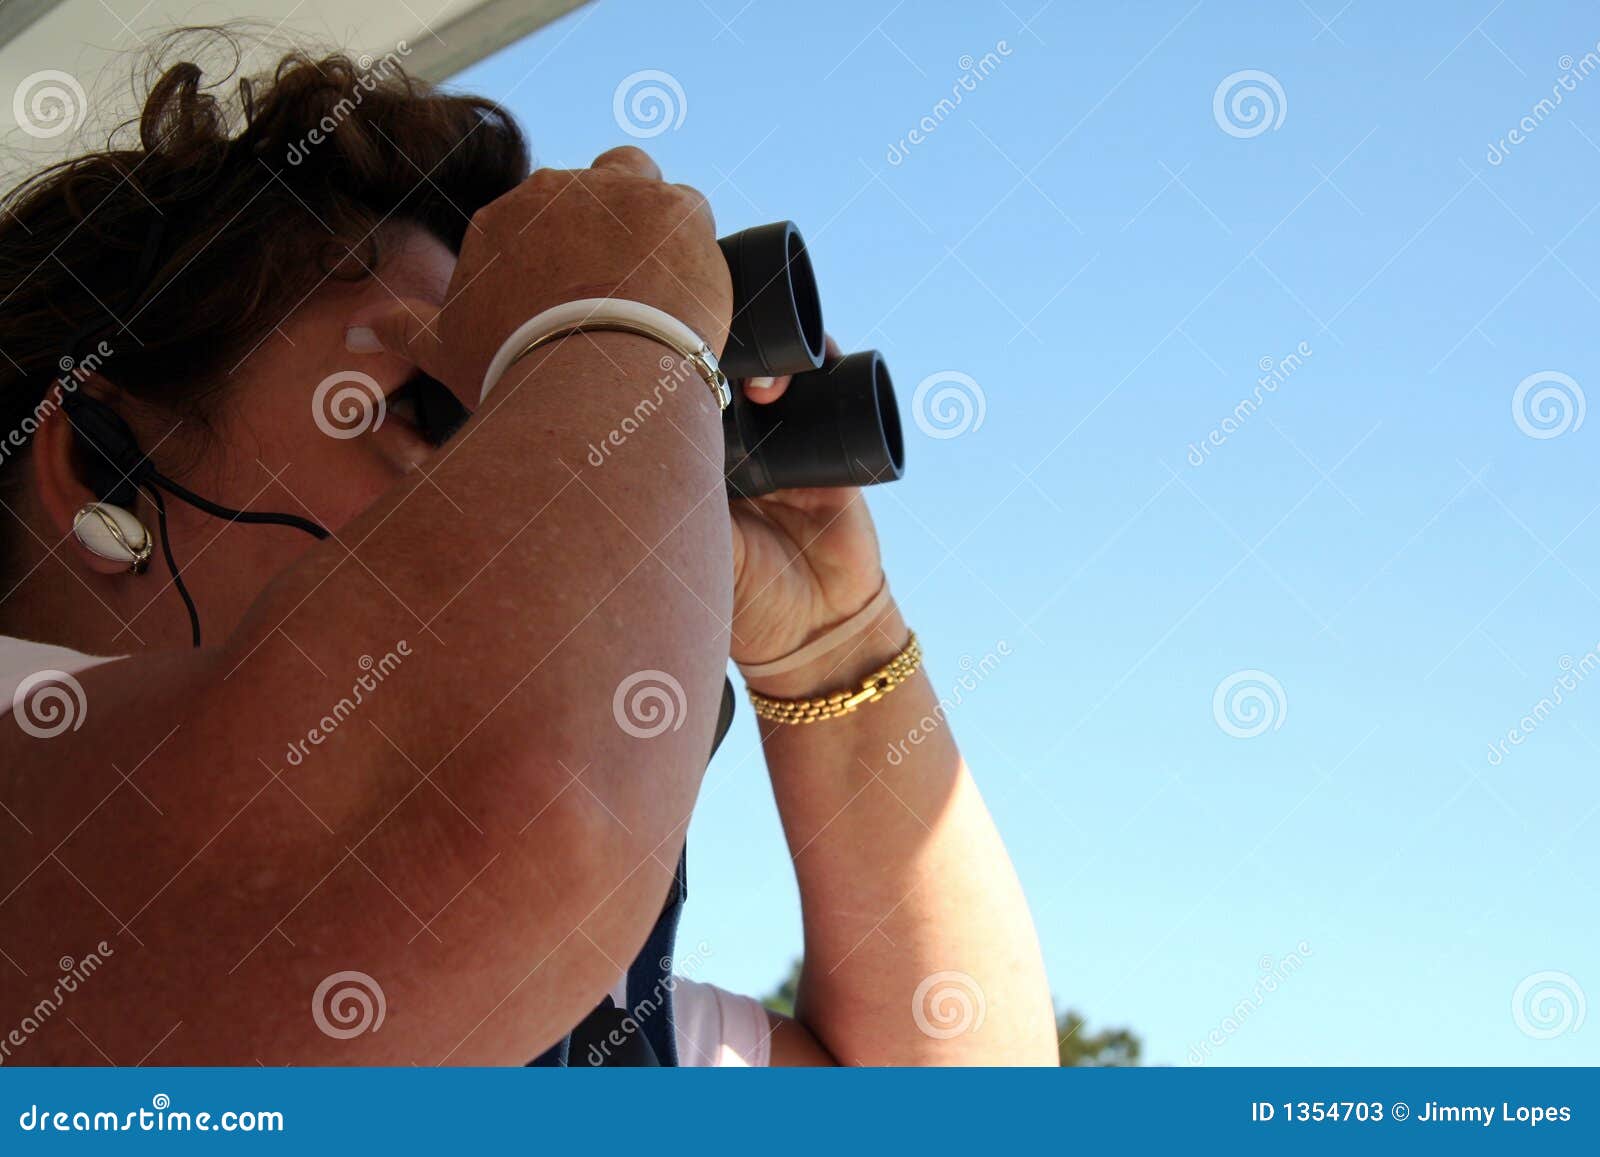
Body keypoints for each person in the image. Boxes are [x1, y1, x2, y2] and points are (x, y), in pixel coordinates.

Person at [0, 34, 1055, 1065]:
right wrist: (614, 328)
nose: (506, 487)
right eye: (431, 410)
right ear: (102, 468)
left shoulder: (579, 1002)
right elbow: (520, 818)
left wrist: (832, 647)